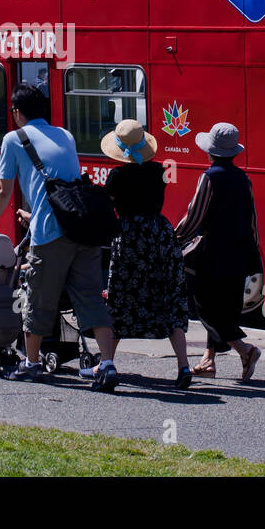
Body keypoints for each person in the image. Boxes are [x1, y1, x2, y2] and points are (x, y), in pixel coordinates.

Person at [0, 82, 120, 390]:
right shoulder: (66, 135)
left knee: (38, 298)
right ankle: (108, 364)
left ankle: (31, 364)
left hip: (49, 232)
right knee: (89, 298)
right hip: (82, 229)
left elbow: (4, 190)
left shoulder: (13, 139)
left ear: (17, 112)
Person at [100, 119, 192, 389]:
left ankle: (107, 362)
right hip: (160, 234)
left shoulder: (116, 177)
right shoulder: (159, 171)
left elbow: (110, 206)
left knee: (119, 302)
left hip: (130, 237)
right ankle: (184, 366)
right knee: (169, 300)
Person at [175, 122, 261, 382]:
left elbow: (195, 215)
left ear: (210, 151)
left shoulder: (209, 177)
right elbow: (252, 220)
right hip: (239, 252)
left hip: (213, 252)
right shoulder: (243, 178)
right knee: (225, 305)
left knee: (205, 306)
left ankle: (245, 350)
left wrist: (175, 236)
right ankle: (208, 360)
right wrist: (252, 253)